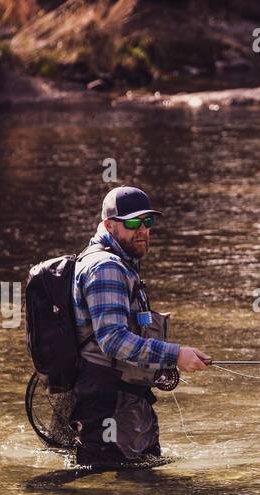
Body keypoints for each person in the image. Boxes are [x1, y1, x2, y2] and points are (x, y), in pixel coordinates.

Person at [70, 185, 212, 467]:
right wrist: (175, 355)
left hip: (127, 404)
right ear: (109, 226)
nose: (143, 230)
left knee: (143, 492)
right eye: (133, 223)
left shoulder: (122, 263)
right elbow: (113, 340)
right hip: (108, 406)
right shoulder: (106, 268)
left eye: (148, 222)